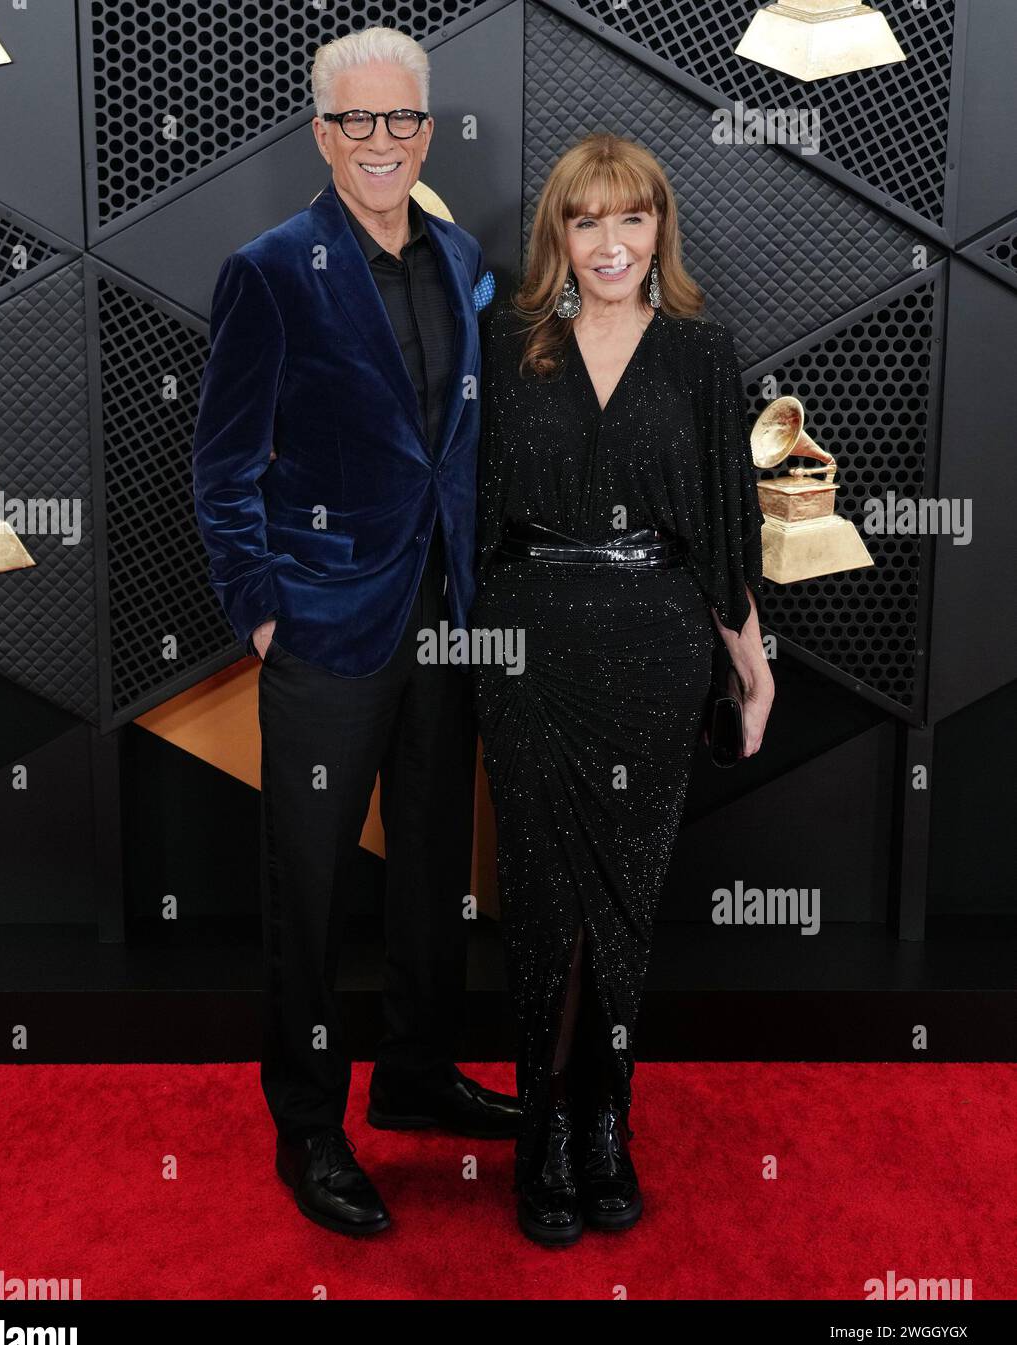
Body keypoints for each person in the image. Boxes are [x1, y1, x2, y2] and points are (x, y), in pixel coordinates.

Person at [192, 25, 519, 1240]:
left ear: (426, 131)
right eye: (354, 124)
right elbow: (221, 468)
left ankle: (419, 1075)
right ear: (322, 135)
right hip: (325, 629)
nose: (380, 143)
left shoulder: (458, 256)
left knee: (434, 870)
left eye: (400, 123)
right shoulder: (271, 270)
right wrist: (263, 611)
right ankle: (310, 1127)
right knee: (314, 889)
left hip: (443, 620)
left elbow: (462, 449)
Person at [470, 133, 775, 1246]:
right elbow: (469, 515)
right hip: (530, 648)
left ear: (658, 231)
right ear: (558, 233)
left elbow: (727, 532)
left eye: (630, 218)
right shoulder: (508, 345)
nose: (609, 242)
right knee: (547, 906)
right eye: (585, 220)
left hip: (653, 648)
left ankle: (606, 1119)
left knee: (621, 912)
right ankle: (544, 1128)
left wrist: (748, 666)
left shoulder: (700, 352)